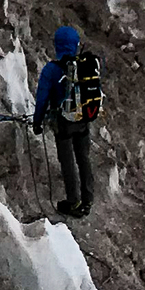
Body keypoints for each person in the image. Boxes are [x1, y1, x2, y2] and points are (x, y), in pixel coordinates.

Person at [32, 24, 102, 218]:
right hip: (83, 119)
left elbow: (42, 99)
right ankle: (87, 200)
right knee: (84, 158)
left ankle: (73, 201)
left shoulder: (52, 69)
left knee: (67, 161)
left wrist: (37, 122)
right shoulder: (86, 66)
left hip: (63, 122)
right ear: (75, 44)